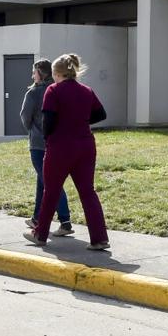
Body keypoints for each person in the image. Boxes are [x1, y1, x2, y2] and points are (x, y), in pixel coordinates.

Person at [21, 53, 110, 251]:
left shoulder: (53, 91)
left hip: (60, 146)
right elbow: (101, 114)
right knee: (88, 191)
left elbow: (48, 123)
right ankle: (99, 238)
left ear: (56, 73)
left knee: (51, 190)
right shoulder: (87, 90)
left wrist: (49, 138)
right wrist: (80, 121)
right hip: (86, 145)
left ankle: (40, 233)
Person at [18, 59, 73, 236]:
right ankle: (37, 218)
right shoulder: (58, 91)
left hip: (38, 145)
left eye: (34, 72)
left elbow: (25, 117)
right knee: (42, 181)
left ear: (40, 73)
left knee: (50, 182)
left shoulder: (33, 93)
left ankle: (65, 221)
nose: (32, 75)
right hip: (56, 142)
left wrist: (33, 130)